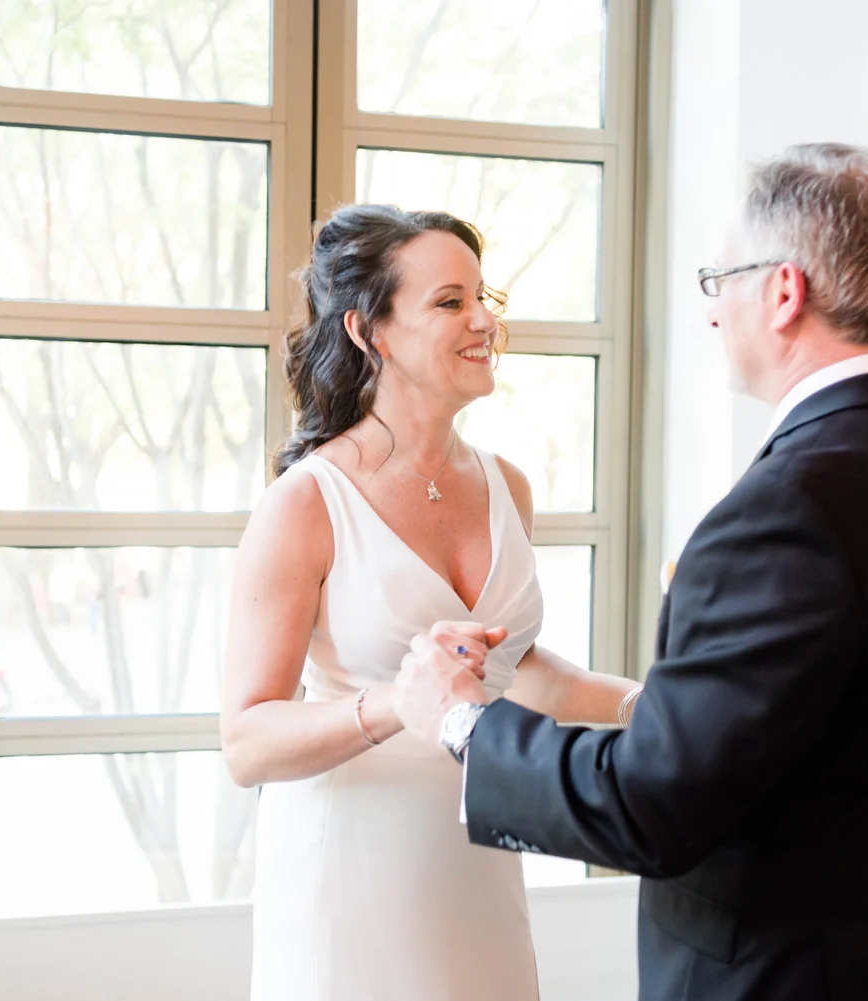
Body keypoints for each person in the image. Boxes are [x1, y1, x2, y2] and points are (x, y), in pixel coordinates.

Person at [394, 144, 868, 1001]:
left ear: (783, 292)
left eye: (719, 281)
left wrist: (462, 721)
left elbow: (650, 807)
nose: (712, 314)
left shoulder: (790, 509)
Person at [220, 203, 641, 1001]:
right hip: (350, 879)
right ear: (369, 331)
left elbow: (514, 671)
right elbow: (246, 741)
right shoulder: (307, 502)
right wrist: (395, 703)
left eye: (485, 298)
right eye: (451, 302)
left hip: (478, 863)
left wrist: (653, 707)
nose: (485, 321)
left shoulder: (507, 485)